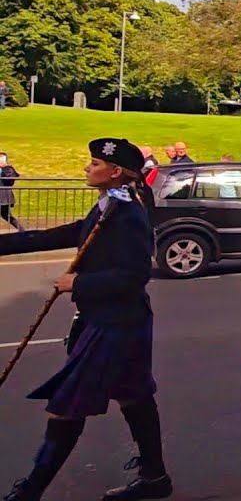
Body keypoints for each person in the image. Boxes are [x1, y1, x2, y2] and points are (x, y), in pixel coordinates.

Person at [0, 139, 172, 501]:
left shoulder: (129, 213)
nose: (86, 168)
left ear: (115, 172)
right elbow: (67, 233)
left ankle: (30, 491)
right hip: (120, 322)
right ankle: (155, 480)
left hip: (115, 326)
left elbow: (135, 275)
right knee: (134, 397)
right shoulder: (111, 205)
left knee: (67, 407)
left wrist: (79, 283)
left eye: (94, 163)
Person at [1, 152, 24, 232]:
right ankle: (22, 231)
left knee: (6, 215)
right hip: (3, 197)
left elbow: (9, 180)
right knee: (6, 215)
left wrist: (2, 169)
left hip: (3, 197)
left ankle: (22, 231)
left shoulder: (8, 169)